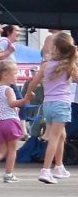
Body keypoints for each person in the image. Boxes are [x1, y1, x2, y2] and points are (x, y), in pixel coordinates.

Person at [26, 31, 73, 182]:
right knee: (54, 137)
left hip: (48, 104)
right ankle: (46, 170)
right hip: (62, 104)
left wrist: (28, 94)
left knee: (61, 135)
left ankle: (59, 166)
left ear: (55, 48)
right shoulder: (69, 66)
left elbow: (33, 82)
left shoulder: (46, 65)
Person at [0, 58, 27, 184]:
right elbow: (12, 103)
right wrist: (24, 100)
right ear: (5, 74)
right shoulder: (8, 89)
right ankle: (8, 174)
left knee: (2, 150)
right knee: (12, 150)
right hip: (10, 121)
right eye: (15, 73)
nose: (16, 76)